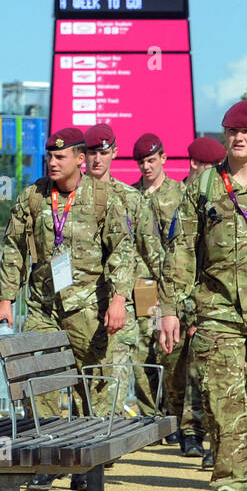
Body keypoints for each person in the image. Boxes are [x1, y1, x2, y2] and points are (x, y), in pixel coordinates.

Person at [159, 100, 247, 491]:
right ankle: (231, 488)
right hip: (217, 308)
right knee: (223, 399)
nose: (238, 138)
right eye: (231, 131)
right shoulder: (202, 188)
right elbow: (182, 250)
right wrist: (170, 308)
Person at [0, 126, 135, 490]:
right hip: (44, 305)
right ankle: (49, 454)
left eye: (60, 156)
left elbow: (121, 250)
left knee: (93, 384)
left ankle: (90, 460)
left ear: (79, 159)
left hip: (89, 307)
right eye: (49, 156)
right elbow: (13, 250)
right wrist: (6, 299)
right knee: (38, 377)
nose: (53, 162)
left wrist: (119, 299)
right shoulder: (33, 197)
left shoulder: (104, 198)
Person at [83, 123, 165, 416]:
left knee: (115, 379)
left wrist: (167, 303)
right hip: (80, 306)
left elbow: (152, 253)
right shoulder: (69, 199)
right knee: (83, 383)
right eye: (91, 152)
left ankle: (110, 441)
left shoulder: (131, 199)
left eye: (103, 152)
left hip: (125, 303)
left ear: (114, 153)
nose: (96, 159)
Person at [163, 136, 227, 467]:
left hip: (216, 302)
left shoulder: (225, 197)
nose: (194, 168)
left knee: (213, 375)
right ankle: (189, 429)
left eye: (202, 164)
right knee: (186, 370)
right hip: (187, 297)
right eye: (193, 162)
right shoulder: (186, 199)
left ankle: (210, 439)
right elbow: (177, 253)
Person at [133, 132, 186, 440]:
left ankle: (174, 417)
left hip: (171, 282)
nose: (146, 167)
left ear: (163, 158)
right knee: (144, 349)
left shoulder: (179, 194)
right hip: (142, 284)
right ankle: (147, 416)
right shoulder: (132, 196)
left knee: (171, 350)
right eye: (141, 162)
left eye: (151, 160)